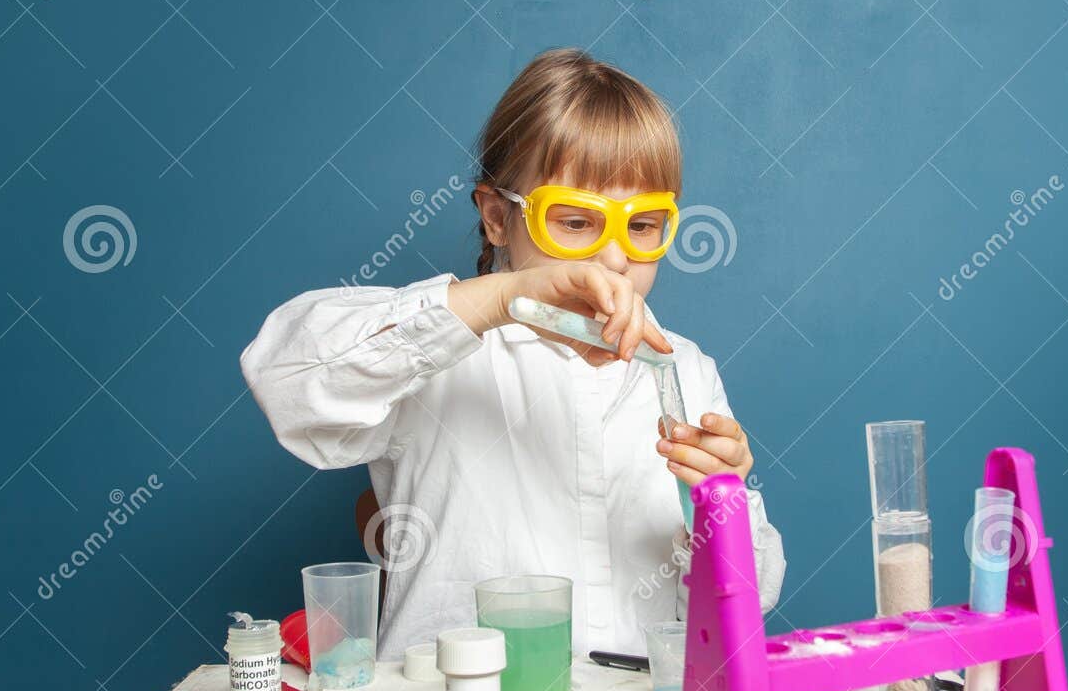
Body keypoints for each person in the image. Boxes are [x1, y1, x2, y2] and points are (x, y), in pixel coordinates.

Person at [241, 48, 785, 657]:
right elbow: (286, 379)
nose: (614, 258)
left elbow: (745, 601)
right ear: (499, 218)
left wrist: (720, 505)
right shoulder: (439, 353)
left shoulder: (686, 370)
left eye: (641, 226)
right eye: (574, 222)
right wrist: (503, 298)